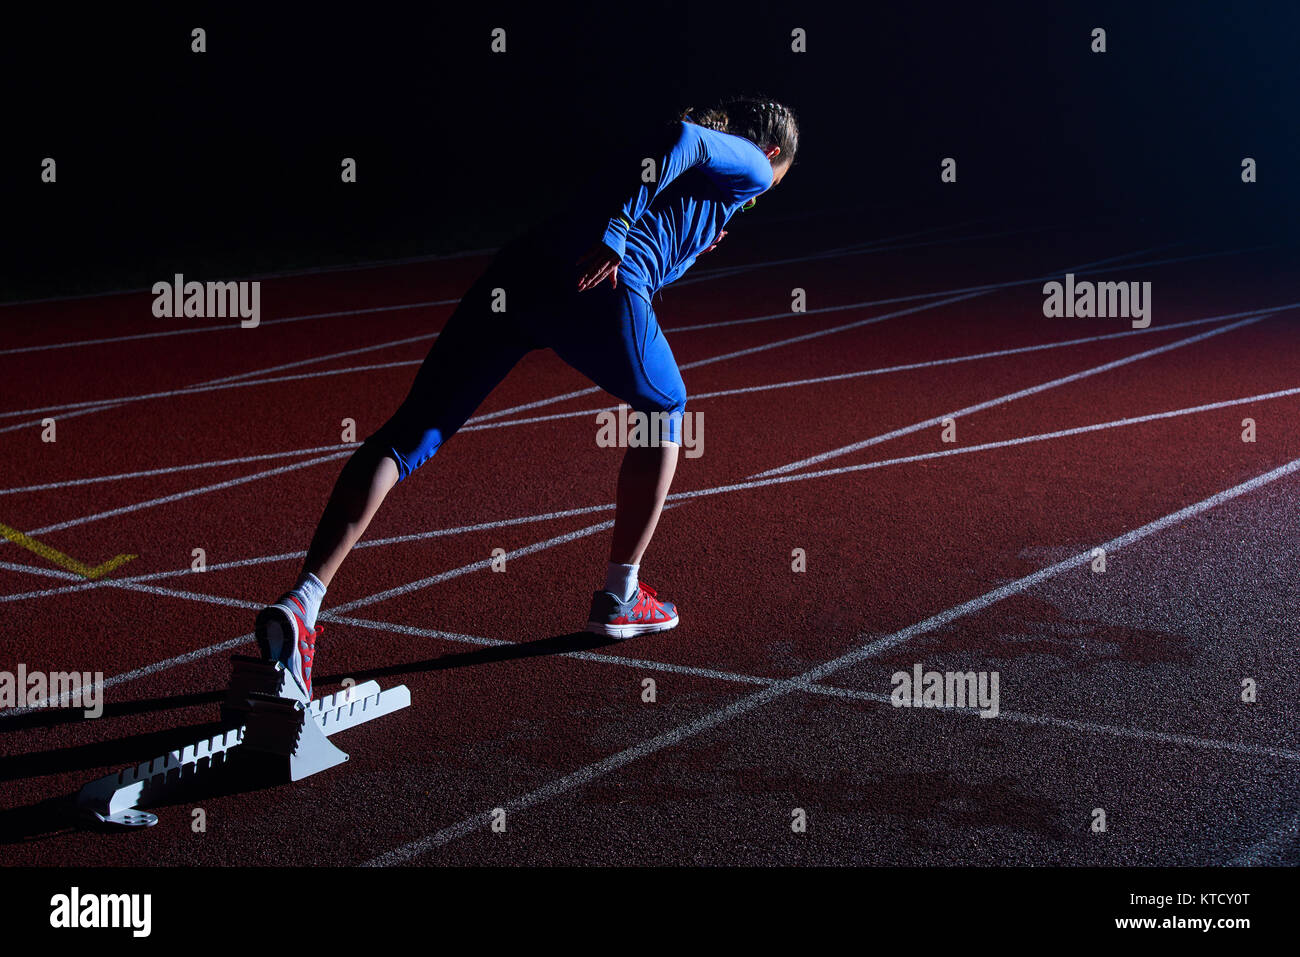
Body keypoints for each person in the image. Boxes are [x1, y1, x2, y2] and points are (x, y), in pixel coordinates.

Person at [255, 97, 799, 698]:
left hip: (520, 275)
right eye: (772, 185)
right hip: (598, 287)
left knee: (411, 433)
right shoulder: (750, 161)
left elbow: (670, 174)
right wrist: (618, 234)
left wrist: (680, 233)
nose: (759, 195)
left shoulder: (709, 191)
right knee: (667, 407)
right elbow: (683, 139)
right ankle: (621, 594)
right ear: (772, 153)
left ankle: (304, 601)